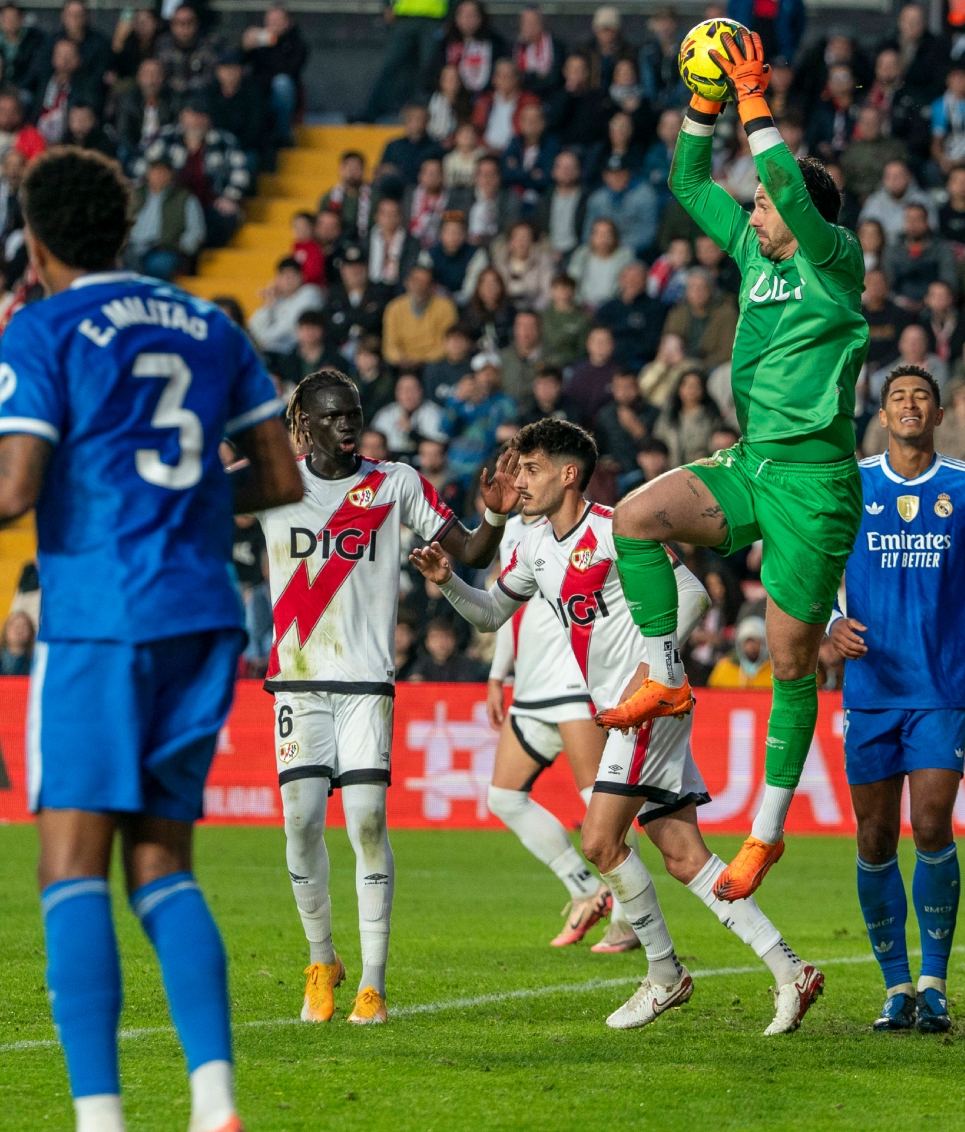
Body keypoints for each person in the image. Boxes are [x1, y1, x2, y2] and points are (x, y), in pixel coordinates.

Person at [0, 146, 306, 1132]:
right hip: (202, 615)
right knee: (164, 862)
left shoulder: (42, 325)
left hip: (100, 611)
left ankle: (100, 1130)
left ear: (35, 241)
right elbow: (277, 475)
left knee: (71, 866)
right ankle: (216, 1115)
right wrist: (182, 497)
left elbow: (11, 484)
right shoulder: (212, 323)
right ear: (124, 231)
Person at [412, 419, 826, 1034]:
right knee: (685, 856)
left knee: (601, 843)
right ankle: (791, 970)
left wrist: (647, 672)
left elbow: (691, 597)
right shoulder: (530, 545)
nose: (519, 482)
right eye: (517, 470)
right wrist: (449, 583)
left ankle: (664, 975)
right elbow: (490, 614)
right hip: (620, 711)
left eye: (531, 469)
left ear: (568, 474)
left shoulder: (615, 527)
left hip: (649, 706)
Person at [599, 27, 867, 904]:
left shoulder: (836, 260)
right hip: (751, 463)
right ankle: (665, 679)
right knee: (634, 518)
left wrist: (757, 99)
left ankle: (766, 835)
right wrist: (703, 104)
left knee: (792, 663)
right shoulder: (757, 250)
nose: (752, 213)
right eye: (750, 206)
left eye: (762, 205)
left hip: (817, 487)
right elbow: (685, 181)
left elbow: (783, 178)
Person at [260, 368, 516, 1027]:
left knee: (368, 822)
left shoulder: (394, 482)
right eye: (334, 415)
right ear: (305, 425)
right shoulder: (275, 483)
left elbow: (469, 548)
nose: (350, 423)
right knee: (301, 824)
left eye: (355, 412)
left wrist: (492, 512)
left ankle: (371, 983)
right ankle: (322, 962)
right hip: (297, 681)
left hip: (367, 684)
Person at [826, 366, 965, 1032]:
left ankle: (935, 982)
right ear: (882, 416)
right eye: (897, 398)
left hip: (940, 687)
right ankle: (895, 986)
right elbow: (811, 559)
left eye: (922, 397)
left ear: (939, 414)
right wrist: (829, 620)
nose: (910, 406)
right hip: (871, 688)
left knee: (932, 822)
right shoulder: (852, 485)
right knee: (875, 835)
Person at [482, 507, 633, 952]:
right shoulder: (513, 532)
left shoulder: (593, 528)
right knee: (504, 797)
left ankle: (628, 919)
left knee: (601, 805)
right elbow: (504, 606)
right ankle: (587, 888)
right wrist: (498, 673)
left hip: (574, 679)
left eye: (531, 469)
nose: (522, 482)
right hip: (529, 683)